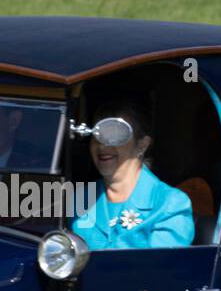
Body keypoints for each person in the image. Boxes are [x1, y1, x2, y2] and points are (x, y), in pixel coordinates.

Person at [72, 103, 194, 249]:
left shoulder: (170, 203)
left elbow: (161, 266)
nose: (103, 146)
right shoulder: (78, 198)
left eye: (116, 136)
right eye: (97, 136)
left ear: (142, 144)